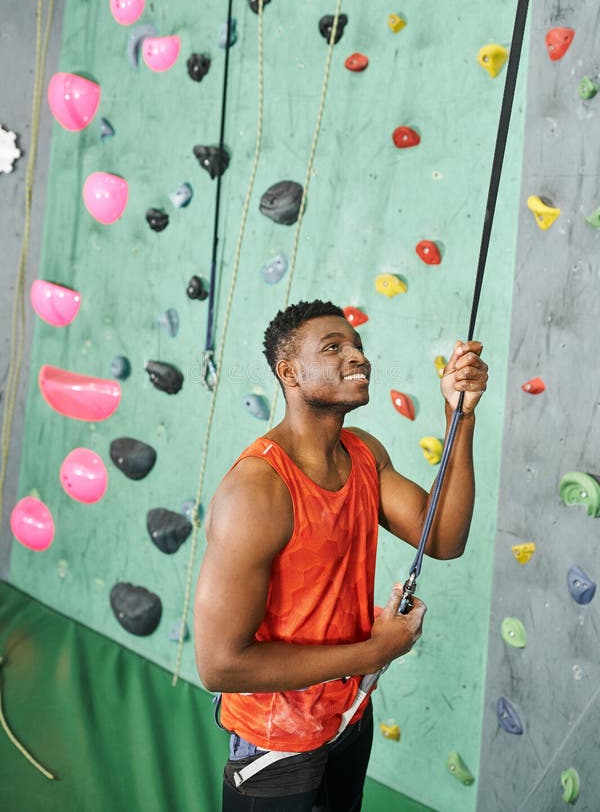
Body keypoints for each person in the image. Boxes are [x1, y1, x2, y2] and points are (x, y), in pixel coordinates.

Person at [194, 299, 488, 812]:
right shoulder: (258, 490)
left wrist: (458, 419)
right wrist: (375, 653)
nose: (357, 356)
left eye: (357, 345)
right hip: (277, 743)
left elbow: (442, 538)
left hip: (349, 713)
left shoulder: (362, 452)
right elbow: (220, 665)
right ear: (290, 372)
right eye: (334, 347)